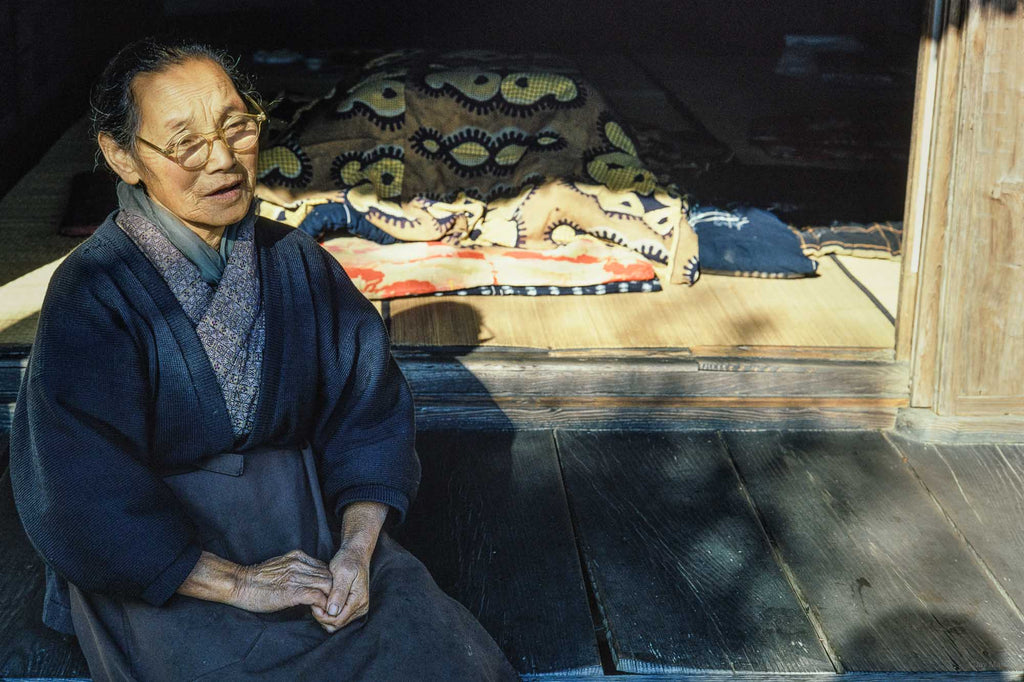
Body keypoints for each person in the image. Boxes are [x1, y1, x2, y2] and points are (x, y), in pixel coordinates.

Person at [9, 37, 517, 681]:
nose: (222, 160)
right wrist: (239, 584)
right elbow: (77, 489)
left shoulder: (294, 260)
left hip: (304, 519)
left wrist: (357, 552)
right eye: (185, 141)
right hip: (160, 556)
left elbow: (368, 415)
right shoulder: (95, 289)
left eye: (236, 126)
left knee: (449, 663)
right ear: (122, 156)